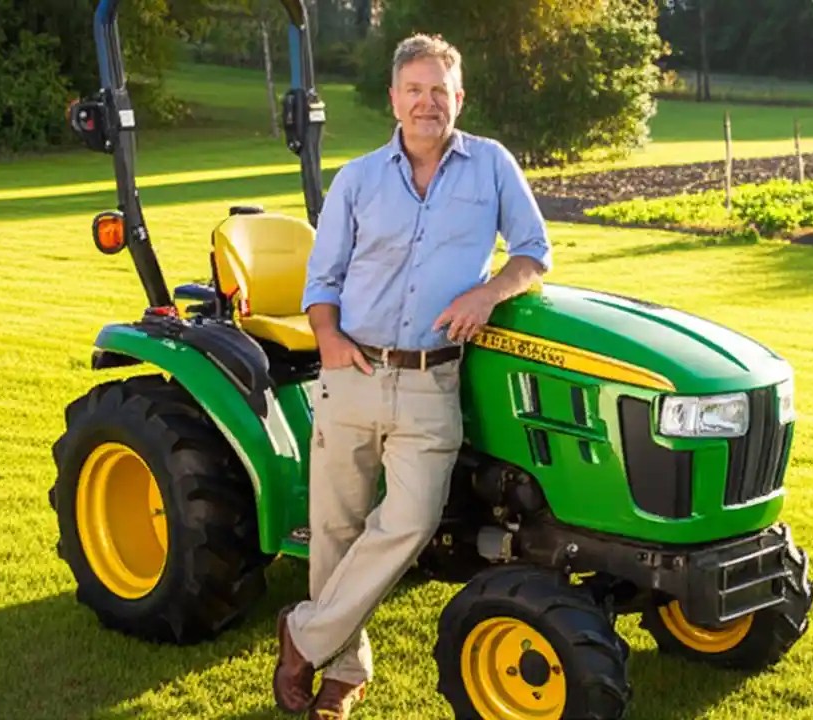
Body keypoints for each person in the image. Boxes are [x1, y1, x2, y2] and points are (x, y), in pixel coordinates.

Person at [272, 33, 552, 720]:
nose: (428, 102)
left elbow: (534, 252)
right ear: (395, 98)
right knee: (334, 530)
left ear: (460, 99)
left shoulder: (490, 166)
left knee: (410, 521)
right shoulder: (359, 178)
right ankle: (343, 671)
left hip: (432, 382)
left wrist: (488, 293)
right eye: (415, 89)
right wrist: (329, 338)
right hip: (354, 372)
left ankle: (302, 635)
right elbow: (322, 278)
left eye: (440, 91)